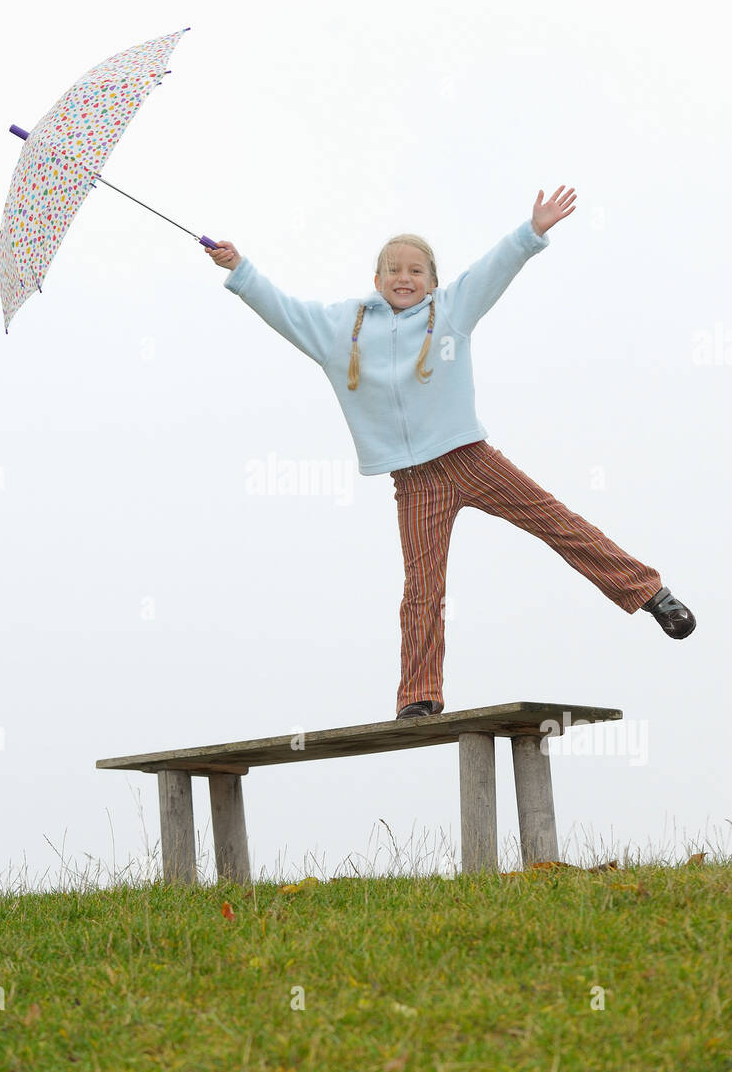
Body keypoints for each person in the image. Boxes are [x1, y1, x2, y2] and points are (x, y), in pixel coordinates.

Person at [205, 186, 695, 719]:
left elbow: (491, 271)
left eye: (416, 271)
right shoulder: (340, 329)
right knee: (422, 587)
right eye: (393, 269)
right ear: (375, 281)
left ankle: (650, 593)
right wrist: (241, 269)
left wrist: (531, 232)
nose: (404, 278)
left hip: (470, 457)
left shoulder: (450, 310)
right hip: (413, 481)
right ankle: (420, 696)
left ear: (433, 282)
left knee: (558, 522)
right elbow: (283, 311)